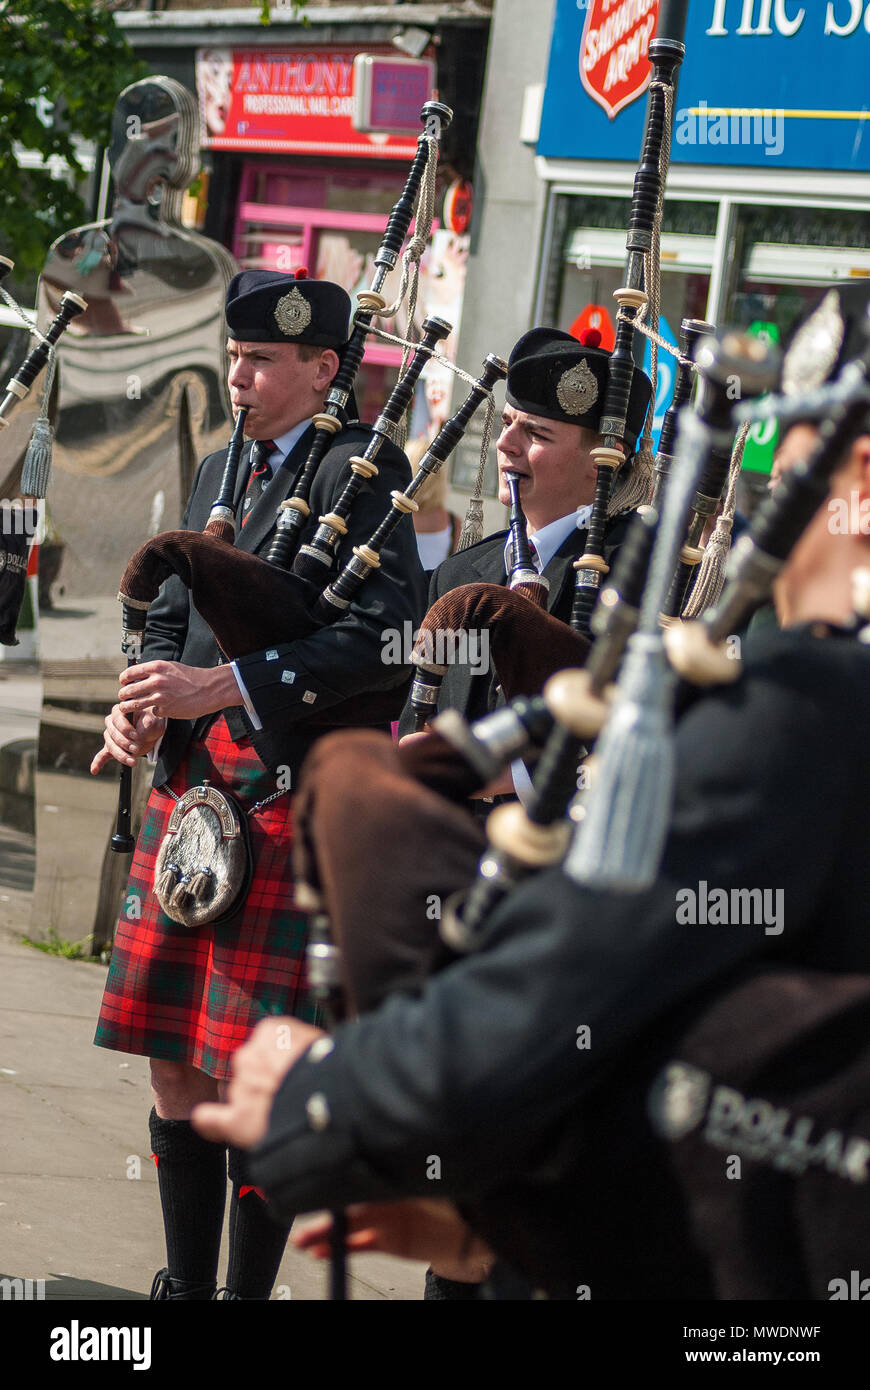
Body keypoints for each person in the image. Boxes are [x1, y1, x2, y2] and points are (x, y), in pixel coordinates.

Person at [191, 286, 870, 1300]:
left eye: (790, 454)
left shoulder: (813, 703)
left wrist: (321, 1099)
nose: (772, 499)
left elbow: (566, 995)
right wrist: (497, 1231)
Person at [90, 268, 425, 1300]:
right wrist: (140, 697)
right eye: (235, 358)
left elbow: (388, 643)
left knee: (256, 1075)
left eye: (264, 362)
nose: (240, 378)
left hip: (280, 797)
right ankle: (187, 1293)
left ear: (326, 368)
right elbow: (164, 605)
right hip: (193, 795)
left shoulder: (365, 475)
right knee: (173, 1065)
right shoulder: (217, 468)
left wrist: (223, 683)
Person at [398, 327, 651, 746]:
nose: (506, 444)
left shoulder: (641, 571)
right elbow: (416, 716)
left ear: (604, 458)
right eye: (507, 423)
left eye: (537, 434)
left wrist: (500, 778)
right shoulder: (459, 573)